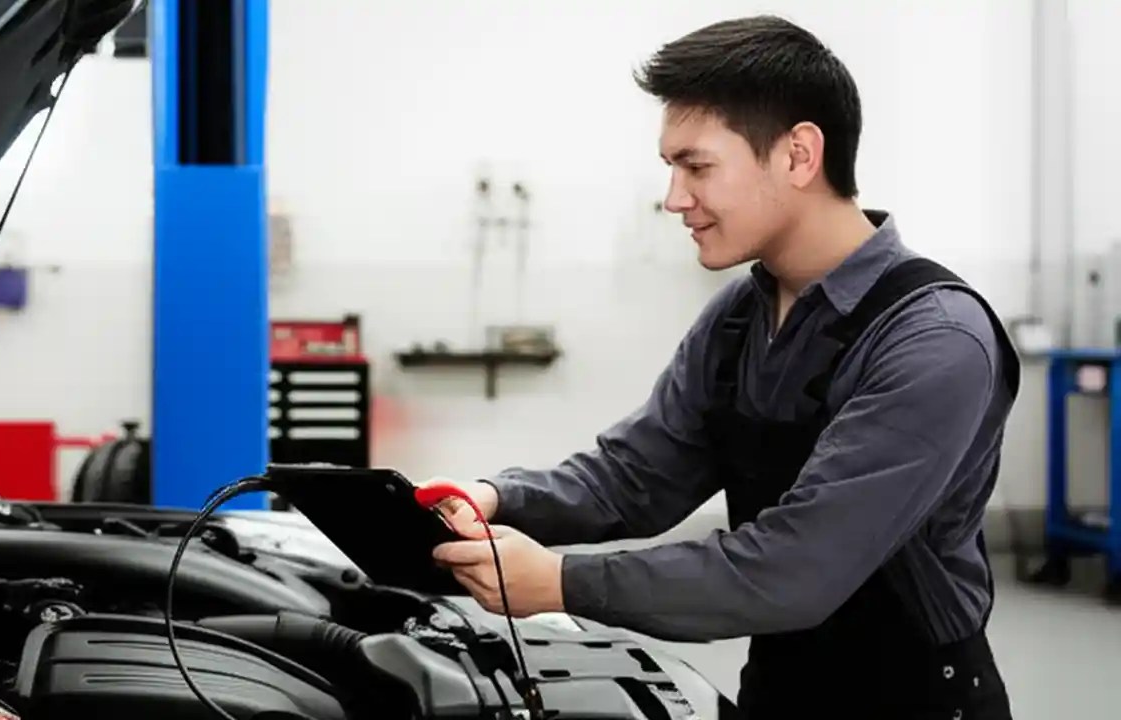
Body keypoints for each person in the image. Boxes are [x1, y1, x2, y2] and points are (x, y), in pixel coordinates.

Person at [424, 14, 1019, 720]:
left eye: (697, 166)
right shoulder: (741, 316)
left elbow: (794, 568)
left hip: (916, 701)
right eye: (671, 168)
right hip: (780, 688)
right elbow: (637, 475)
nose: (675, 198)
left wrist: (558, 581)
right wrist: (496, 498)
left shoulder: (934, 340)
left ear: (799, 155)